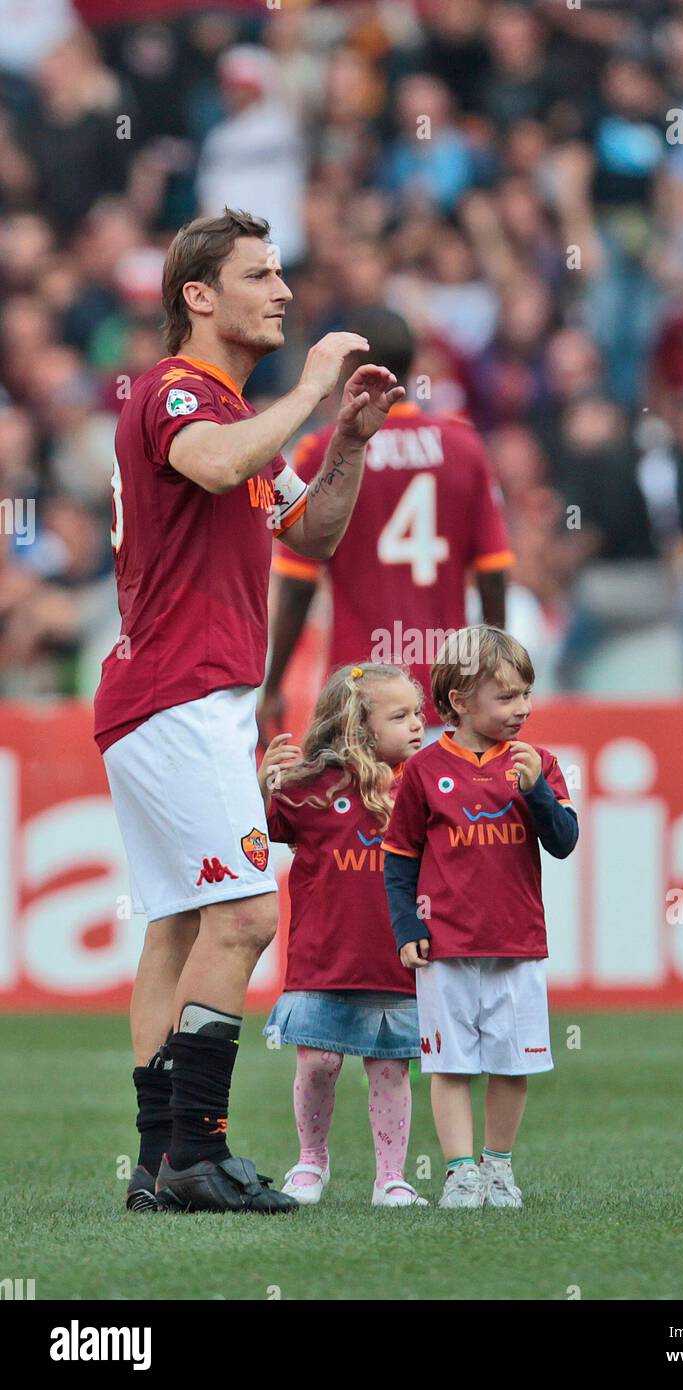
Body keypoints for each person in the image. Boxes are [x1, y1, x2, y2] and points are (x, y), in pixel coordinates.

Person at [93, 206, 405, 1214]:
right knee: (249, 909)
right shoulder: (176, 394)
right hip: (179, 692)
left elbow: (306, 529)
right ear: (199, 295)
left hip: (175, 694)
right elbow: (218, 465)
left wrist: (346, 441)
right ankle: (198, 1151)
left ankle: (156, 1162)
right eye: (260, 275)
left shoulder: (222, 409)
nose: (280, 291)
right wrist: (312, 389)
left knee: (180, 928)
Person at [382, 625, 578, 1210]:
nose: (522, 709)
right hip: (446, 945)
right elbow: (399, 859)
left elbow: (564, 841)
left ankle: (499, 1167)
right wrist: (407, 928)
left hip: (517, 943)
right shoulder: (421, 771)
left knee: (512, 1063)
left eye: (526, 694)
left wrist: (537, 791)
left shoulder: (538, 762)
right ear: (460, 701)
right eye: (507, 696)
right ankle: (460, 1172)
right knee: (449, 1063)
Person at [259, 306, 513, 740]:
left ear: (353, 369)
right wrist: (496, 677)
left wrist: (275, 686)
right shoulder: (463, 447)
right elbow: (493, 575)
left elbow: (299, 582)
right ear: (412, 364)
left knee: (364, 808)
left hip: (359, 699)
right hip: (444, 695)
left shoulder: (323, 450)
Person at [259, 662, 429, 1208]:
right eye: (400, 716)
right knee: (318, 1063)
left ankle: (392, 1177)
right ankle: (311, 1161)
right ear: (357, 726)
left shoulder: (422, 787)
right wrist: (264, 784)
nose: (417, 725)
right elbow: (259, 838)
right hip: (323, 958)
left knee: (389, 1067)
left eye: (418, 713)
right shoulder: (311, 790)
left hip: (394, 958)